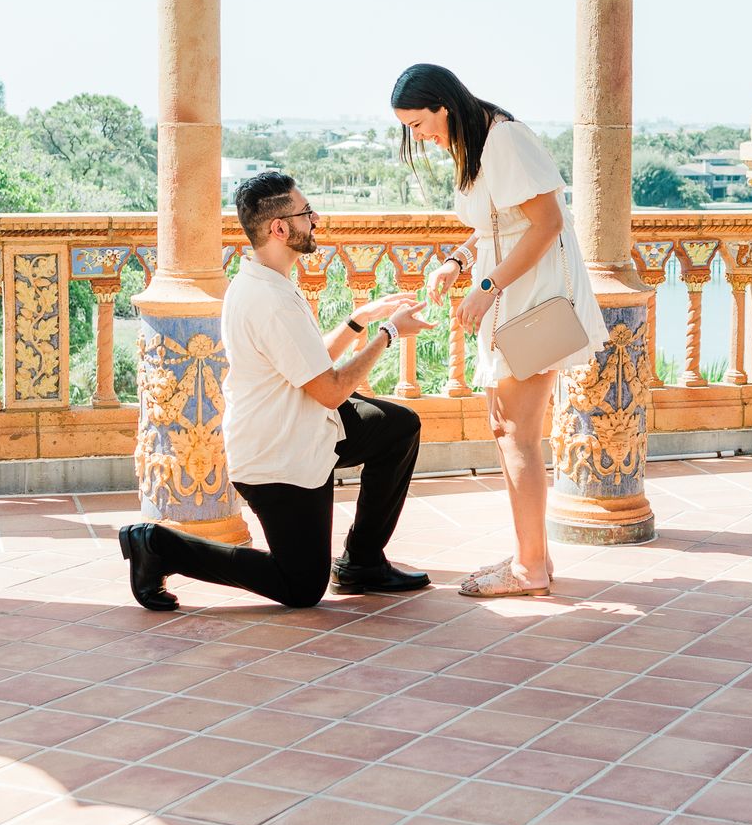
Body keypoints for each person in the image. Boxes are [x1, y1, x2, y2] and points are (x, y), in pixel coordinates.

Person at [118, 171, 434, 612]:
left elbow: (307, 362)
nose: (316, 219)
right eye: (306, 213)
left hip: (303, 422)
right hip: (277, 453)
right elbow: (330, 390)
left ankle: (362, 561)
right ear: (279, 228)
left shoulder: (264, 280)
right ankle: (158, 545)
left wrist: (359, 320)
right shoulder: (271, 299)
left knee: (398, 427)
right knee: (301, 587)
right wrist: (387, 334)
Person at [391, 63, 605, 599]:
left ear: (444, 104)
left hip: (529, 301)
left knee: (517, 435)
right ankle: (534, 558)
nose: (419, 136)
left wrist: (484, 286)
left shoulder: (502, 139)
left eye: (419, 124)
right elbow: (497, 228)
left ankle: (530, 568)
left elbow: (548, 224)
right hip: (514, 298)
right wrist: (458, 263)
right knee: (508, 430)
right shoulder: (477, 143)